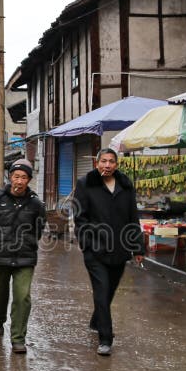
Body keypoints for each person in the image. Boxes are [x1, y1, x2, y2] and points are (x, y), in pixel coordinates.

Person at [73, 148, 144, 356]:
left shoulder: (125, 185)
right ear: (97, 164)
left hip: (120, 248)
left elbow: (133, 217)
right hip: (95, 250)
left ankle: (97, 320)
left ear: (116, 164)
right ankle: (105, 339)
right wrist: (87, 243)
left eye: (111, 161)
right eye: (103, 161)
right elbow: (79, 217)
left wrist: (138, 247)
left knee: (110, 290)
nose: (107, 165)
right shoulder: (86, 183)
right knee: (102, 290)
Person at [0, 159, 45, 354]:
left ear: (29, 180)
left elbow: (39, 228)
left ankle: (18, 338)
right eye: (16, 176)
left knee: (22, 296)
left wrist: (28, 242)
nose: (19, 181)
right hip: (0, 256)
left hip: (25, 257)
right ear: (10, 178)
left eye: (24, 177)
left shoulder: (36, 204)